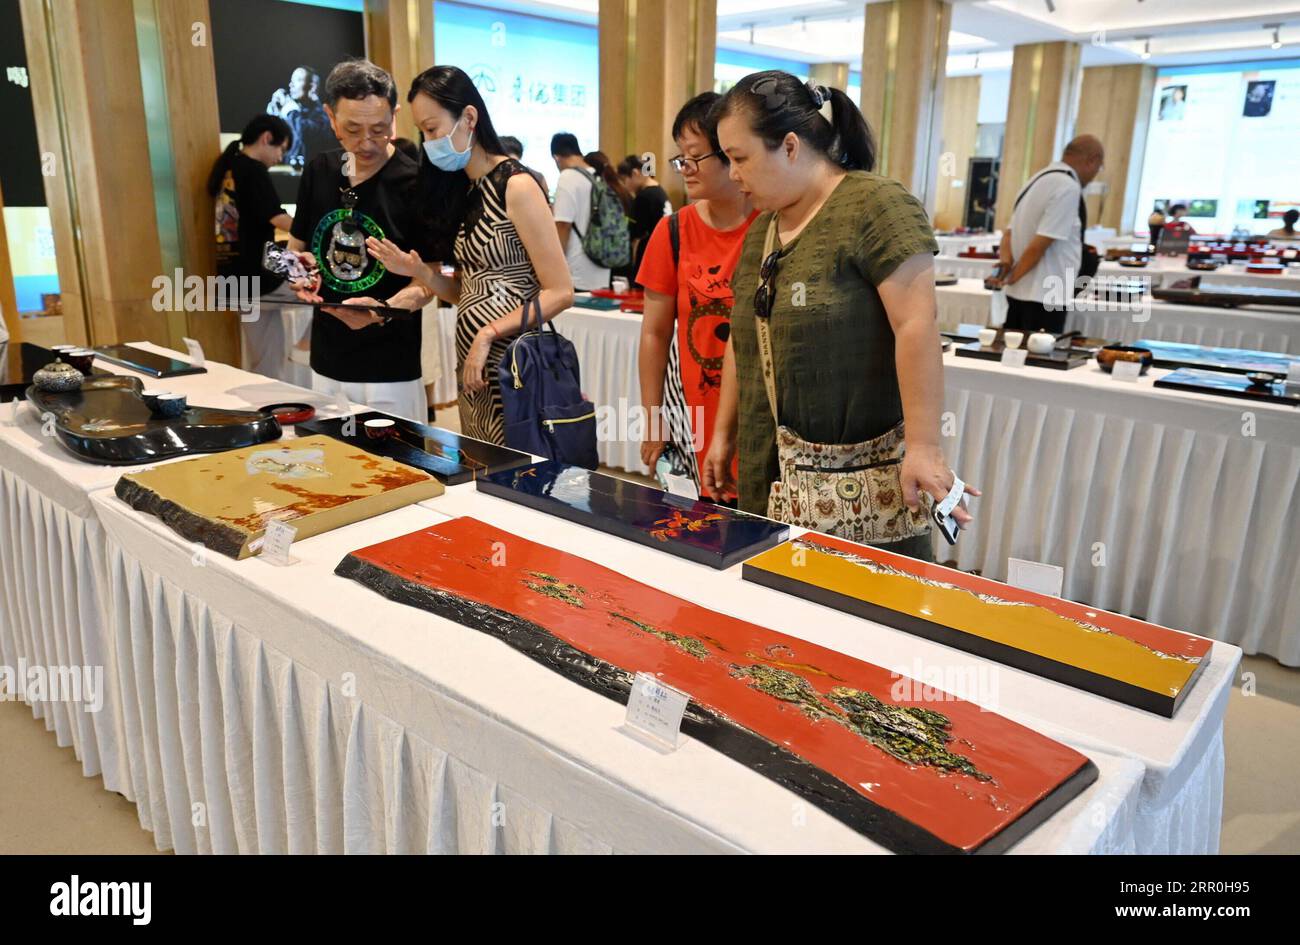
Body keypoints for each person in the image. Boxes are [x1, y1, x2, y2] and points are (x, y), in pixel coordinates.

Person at [705, 71, 977, 560]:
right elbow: (743, 341)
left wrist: (925, 447)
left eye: (740, 158)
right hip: (768, 475)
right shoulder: (762, 230)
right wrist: (723, 436)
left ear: (789, 146)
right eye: (726, 159)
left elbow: (915, 325)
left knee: (868, 615)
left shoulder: (876, 206)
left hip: (860, 485)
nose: (733, 174)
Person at [365, 66, 573, 444]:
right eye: (422, 133)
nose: (429, 142)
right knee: (483, 467)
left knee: (520, 470)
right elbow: (468, 291)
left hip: (515, 364)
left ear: (469, 118)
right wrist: (420, 272)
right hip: (475, 361)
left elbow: (560, 291)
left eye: (432, 129)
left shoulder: (518, 186)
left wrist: (489, 333)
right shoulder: (465, 191)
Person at [286, 59, 433, 423]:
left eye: (380, 129)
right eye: (352, 129)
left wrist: (380, 311)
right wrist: (296, 275)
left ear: (395, 114)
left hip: (390, 368)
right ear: (330, 117)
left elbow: (428, 280)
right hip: (326, 361)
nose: (366, 143)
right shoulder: (320, 170)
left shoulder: (416, 183)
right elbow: (294, 247)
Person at [636, 92, 757, 495]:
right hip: (690, 414)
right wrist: (653, 419)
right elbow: (654, 334)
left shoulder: (771, 226)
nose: (684, 168)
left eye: (695, 156)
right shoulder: (673, 230)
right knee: (696, 530)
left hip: (756, 415)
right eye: (680, 157)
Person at [208, 114, 296, 379]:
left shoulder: (228, 167)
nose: (280, 157)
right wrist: (319, 230)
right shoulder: (253, 169)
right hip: (258, 277)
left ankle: (265, 411)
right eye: (281, 148)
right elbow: (278, 218)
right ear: (267, 138)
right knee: (320, 295)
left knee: (263, 355)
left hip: (233, 277)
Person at [992, 134, 1105, 333]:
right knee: (1039, 362)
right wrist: (1009, 277)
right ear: (1092, 160)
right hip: (1045, 296)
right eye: (1099, 167)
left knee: (1013, 356)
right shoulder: (1067, 187)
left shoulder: (1035, 180)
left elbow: (1008, 235)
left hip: (1020, 294)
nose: (1096, 173)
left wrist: (1006, 267)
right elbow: (1040, 245)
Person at [551, 132, 611, 290]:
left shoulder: (568, 177)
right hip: (601, 266)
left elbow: (563, 225)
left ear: (557, 157)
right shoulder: (597, 176)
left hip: (576, 269)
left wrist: (556, 267)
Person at [618, 153, 672, 284]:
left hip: (649, 258)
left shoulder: (643, 197)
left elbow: (636, 237)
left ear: (635, 173)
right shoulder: (660, 192)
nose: (625, 186)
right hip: (665, 255)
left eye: (624, 180)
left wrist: (634, 269)